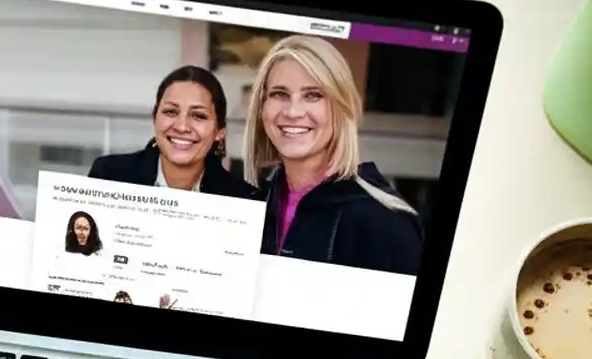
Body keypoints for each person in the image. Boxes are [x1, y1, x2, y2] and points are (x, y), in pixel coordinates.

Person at [243, 35, 424, 275]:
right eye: (279, 94)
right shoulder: (248, 205)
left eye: (313, 95)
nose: (293, 111)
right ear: (261, 108)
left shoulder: (386, 224)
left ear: (341, 107)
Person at [90, 66, 254, 198]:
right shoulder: (108, 175)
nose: (182, 127)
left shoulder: (243, 199)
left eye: (198, 116)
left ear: (219, 131)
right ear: (155, 119)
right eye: (170, 112)